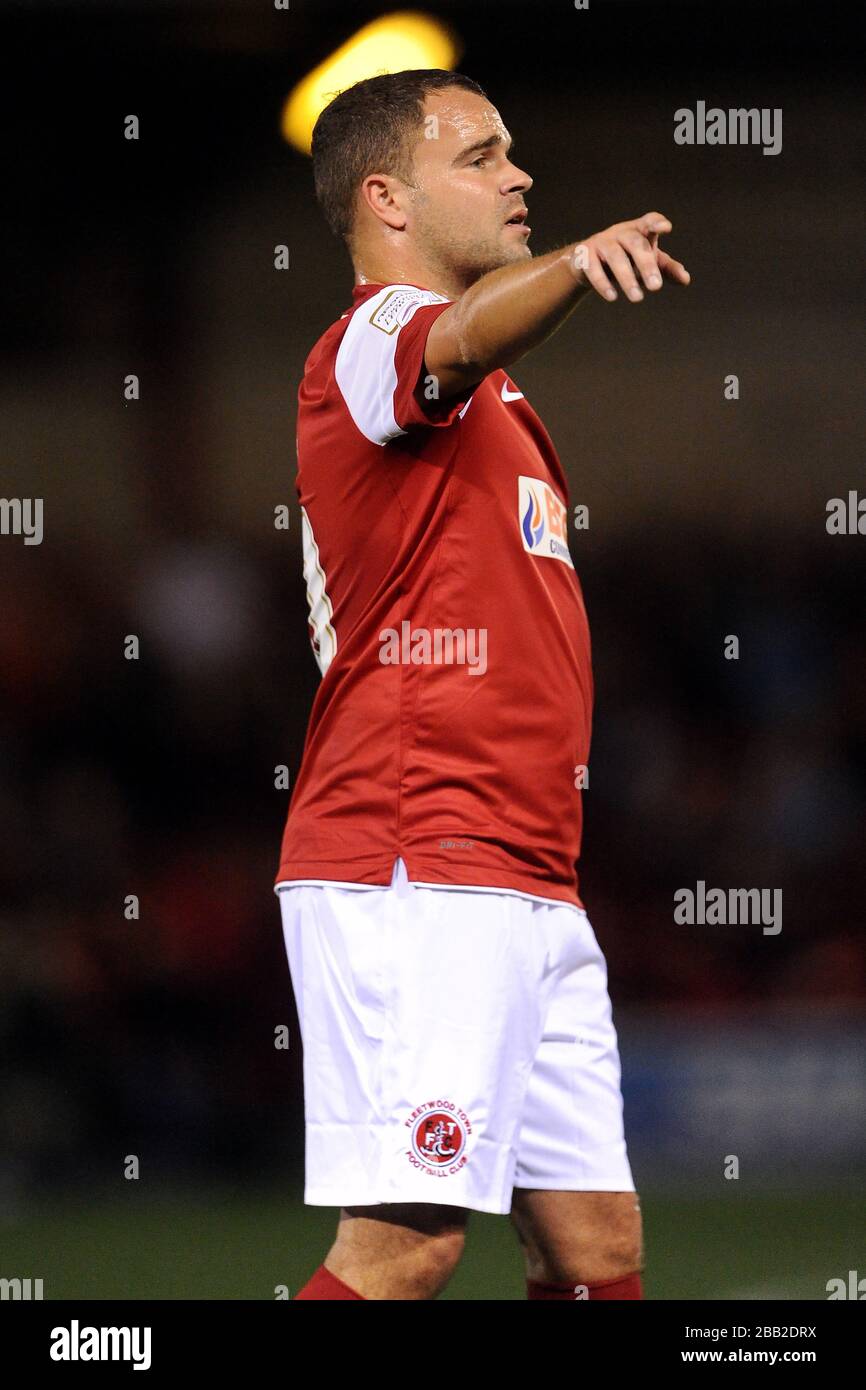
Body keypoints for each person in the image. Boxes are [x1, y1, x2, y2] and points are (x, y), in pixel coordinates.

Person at [274, 67, 690, 1301]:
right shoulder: (367, 344)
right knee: (405, 1248)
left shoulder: (498, 402)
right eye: (482, 156)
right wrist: (575, 262)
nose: (517, 175)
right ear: (384, 198)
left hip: (521, 868)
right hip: (415, 852)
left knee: (592, 1252)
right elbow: (450, 335)